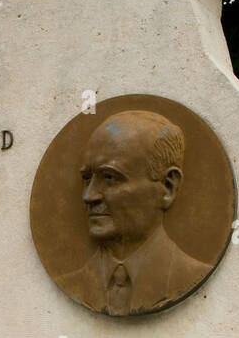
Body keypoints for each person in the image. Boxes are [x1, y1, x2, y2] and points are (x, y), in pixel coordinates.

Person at [59, 110, 211, 314]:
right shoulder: (71, 284)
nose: (89, 196)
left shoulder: (191, 275)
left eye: (110, 177)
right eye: (87, 178)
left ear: (167, 187)